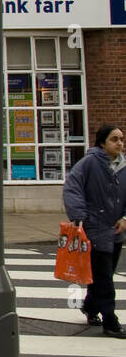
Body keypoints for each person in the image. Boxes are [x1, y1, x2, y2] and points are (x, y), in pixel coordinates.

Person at [63, 123, 126, 338]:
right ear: (102, 142)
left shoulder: (123, 166)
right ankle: (111, 321)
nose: (119, 143)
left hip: (116, 230)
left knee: (104, 274)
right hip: (96, 228)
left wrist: (125, 218)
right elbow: (72, 187)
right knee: (104, 278)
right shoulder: (89, 163)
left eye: (121, 139)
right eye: (114, 139)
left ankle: (90, 307)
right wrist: (79, 215)